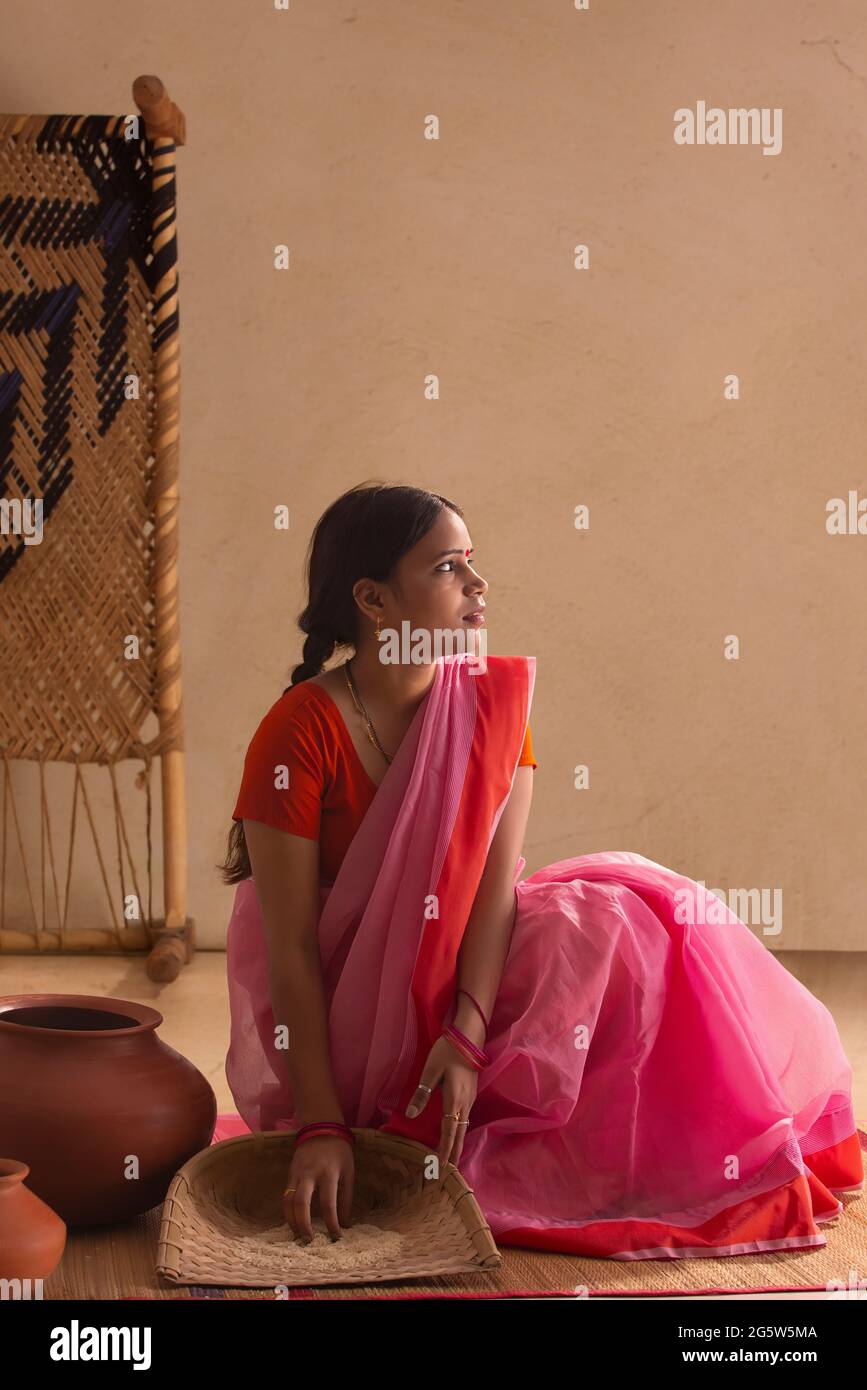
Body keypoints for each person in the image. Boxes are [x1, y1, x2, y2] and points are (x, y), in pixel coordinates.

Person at [219, 482, 863, 1260]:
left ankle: (678, 1150)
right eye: (448, 568)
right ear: (373, 599)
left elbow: (491, 899)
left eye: (473, 563)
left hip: (460, 991)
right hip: (342, 1026)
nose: (477, 585)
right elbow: (287, 948)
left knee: (620, 916)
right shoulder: (302, 731)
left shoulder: (495, 707)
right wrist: (320, 1124)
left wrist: (467, 1034)